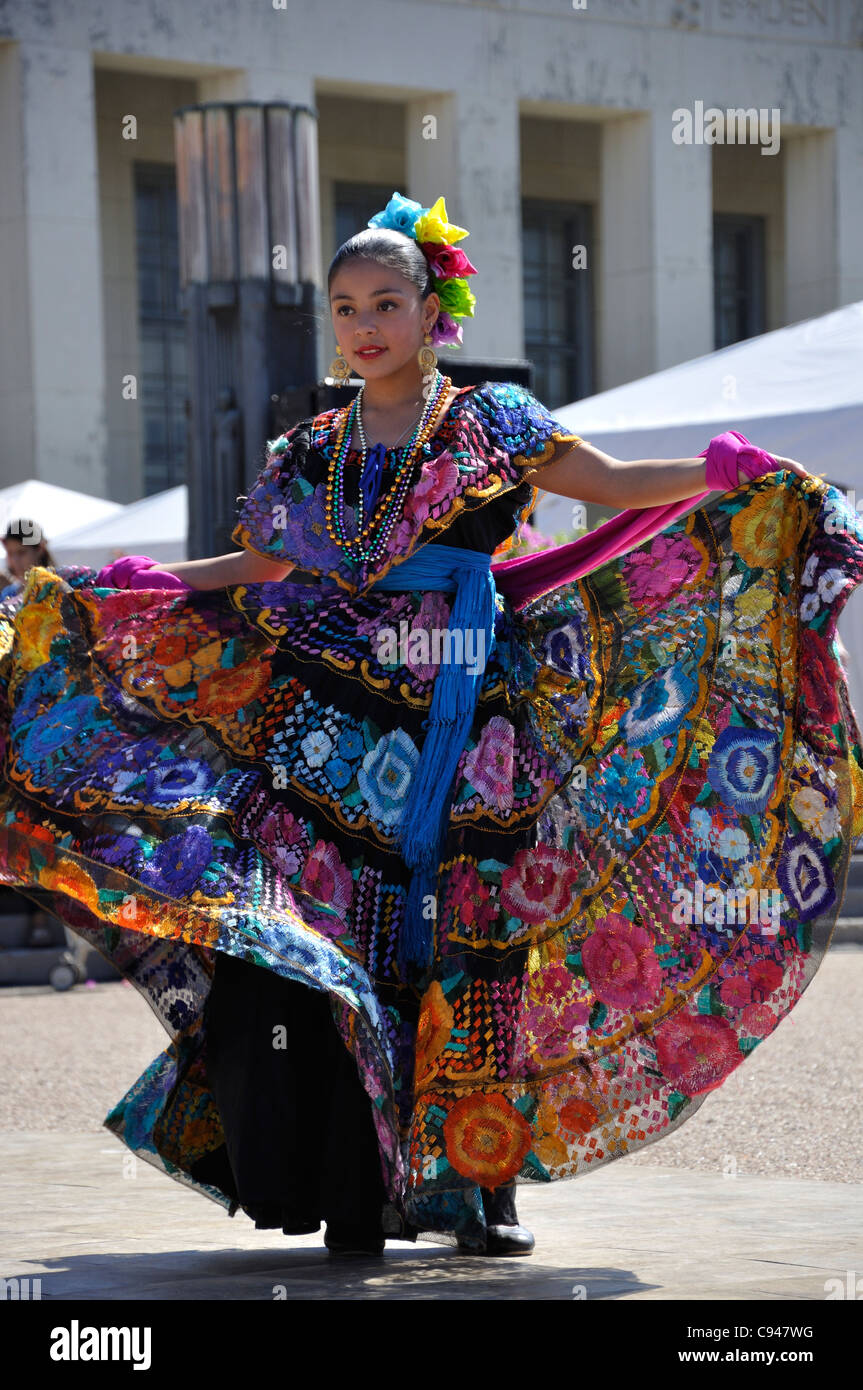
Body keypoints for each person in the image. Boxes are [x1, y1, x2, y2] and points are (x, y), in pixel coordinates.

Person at [0, 191, 860, 1261]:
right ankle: (345, 1184)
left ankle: (475, 1188)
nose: (364, 324)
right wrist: (136, 584)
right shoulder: (311, 447)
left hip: (470, 712)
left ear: (430, 310)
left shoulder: (489, 423)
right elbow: (266, 567)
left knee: (470, 942)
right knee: (307, 933)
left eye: (386, 302)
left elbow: (609, 484)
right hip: (337, 721)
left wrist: (715, 467)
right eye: (346, 306)